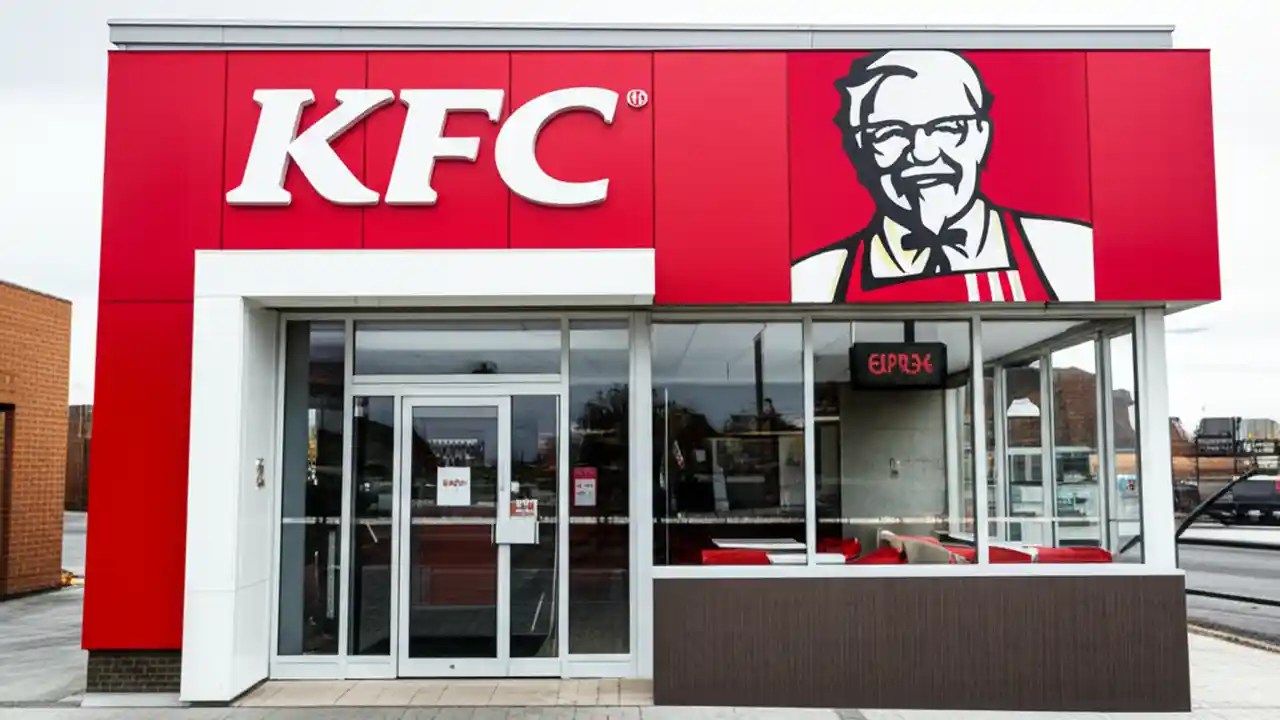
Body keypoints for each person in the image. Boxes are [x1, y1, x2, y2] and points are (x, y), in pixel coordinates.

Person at [792, 50, 1094, 304]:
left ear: (982, 136)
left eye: (948, 127)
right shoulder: (820, 278)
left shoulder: (1065, 251)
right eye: (891, 133)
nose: (923, 153)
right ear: (860, 150)